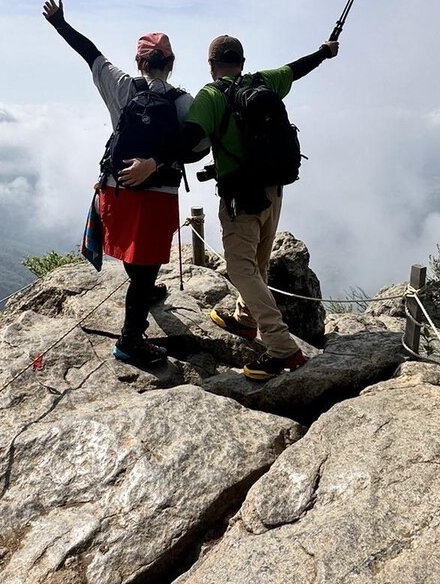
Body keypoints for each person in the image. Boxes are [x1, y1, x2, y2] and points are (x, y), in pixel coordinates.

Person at [122, 33, 338, 380]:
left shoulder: (211, 96)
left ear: (211, 65)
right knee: (258, 262)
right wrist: (324, 52)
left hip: (241, 198)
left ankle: (282, 348)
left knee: (241, 269)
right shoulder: (262, 81)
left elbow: (188, 141)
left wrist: (152, 162)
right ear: (242, 61)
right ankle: (244, 318)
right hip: (274, 190)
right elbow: (297, 69)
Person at [42, 0, 197, 370]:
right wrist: (158, 162)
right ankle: (130, 342)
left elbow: (90, 53)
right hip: (158, 194)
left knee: (135, 260)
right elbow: (196, 148)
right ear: (171, 63)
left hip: (116, 190)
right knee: (147, 265)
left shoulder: (122, 86)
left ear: (139, 62)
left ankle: (143, 294)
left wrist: (60, 23)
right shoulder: (182, 101)